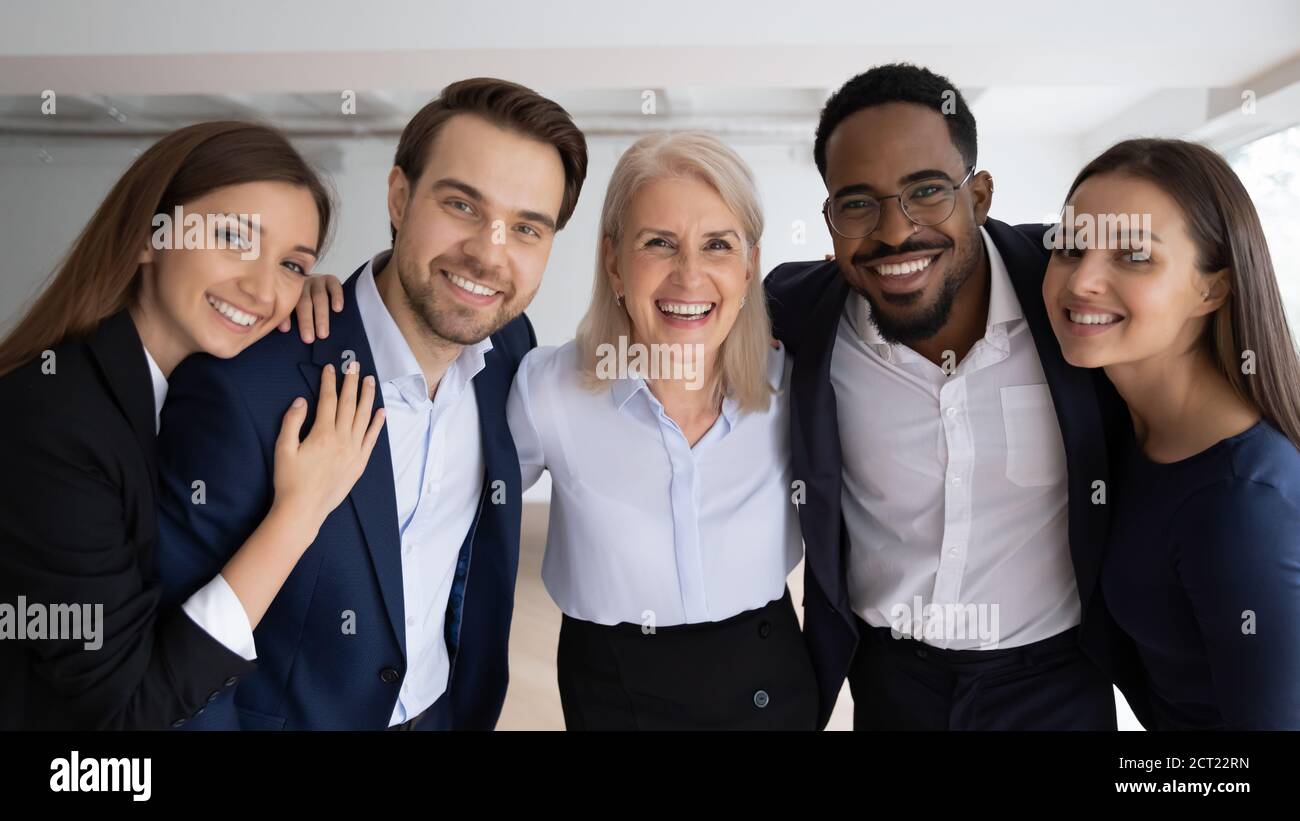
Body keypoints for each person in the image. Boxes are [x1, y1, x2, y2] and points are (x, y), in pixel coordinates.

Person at [155, 78, 589, 730]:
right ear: (399, 195)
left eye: (526, 227)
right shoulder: (245, 383)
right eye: (462, 205)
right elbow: (175, 649)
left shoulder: (509, 350)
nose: (488, 251)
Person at [765, 63, 1152, 730]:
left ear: (979, 195)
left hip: (1057, 681)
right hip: (890, 683)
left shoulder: (1073, 295)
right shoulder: (796, 313)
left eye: (926, 190)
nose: (894, 231)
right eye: (858, 203)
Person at [0, 121, 382, 730]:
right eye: (234, 238)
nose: (261, 289)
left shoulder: (175, 389)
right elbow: (126, 711)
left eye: (291, 264)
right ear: (150, 236)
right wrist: (298, 515)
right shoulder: (51, 425)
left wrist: (313, 307)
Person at [507, 131, 817, 730]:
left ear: (750, 265)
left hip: (768, 678)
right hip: (614, 689)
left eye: (718, 245)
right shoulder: (548, 390)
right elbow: (457, 510)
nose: (690, 276)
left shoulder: (793, 381)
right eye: (659, 244)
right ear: (614, 262)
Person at [1042, 137, 1300, 729]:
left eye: (1134, 256)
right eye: (1070, 246)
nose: (1082, 281)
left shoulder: (1241, 501)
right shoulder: (1123, 422)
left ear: (1213, 288)